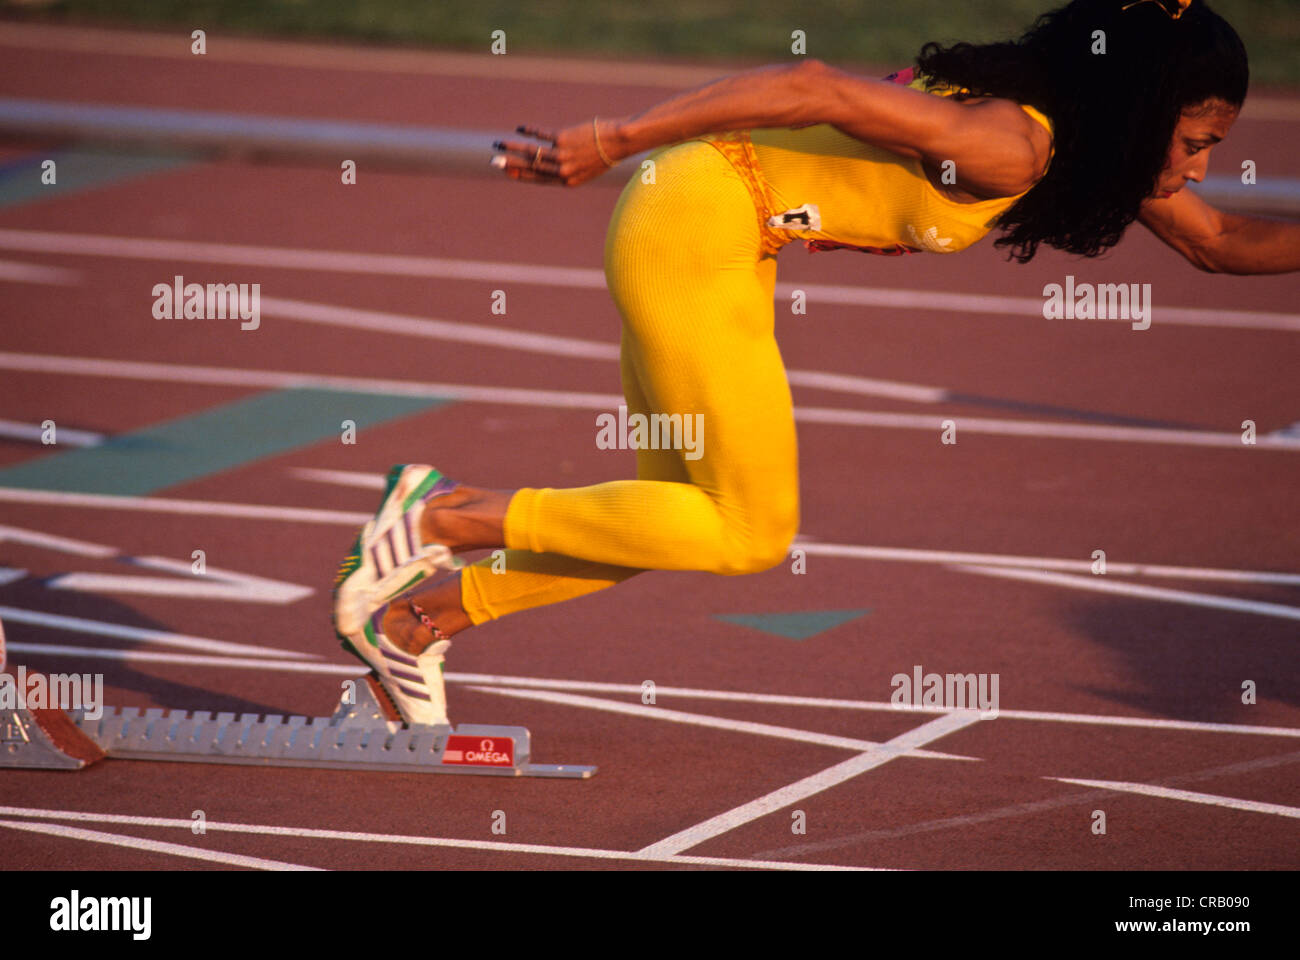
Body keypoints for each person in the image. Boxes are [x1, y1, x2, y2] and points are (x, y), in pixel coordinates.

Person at [334, 0, 1300, 724]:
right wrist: (612, 140)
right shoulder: (1010, 147)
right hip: (696, 217)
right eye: (1194, 141)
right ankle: (439, 513)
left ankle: (419, 628)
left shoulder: (1095, 146)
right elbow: (812, 87)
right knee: (747, 530)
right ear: (1141, 111)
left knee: (666, 514)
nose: (1201, 167)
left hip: (722, 231)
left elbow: (1218, 242)